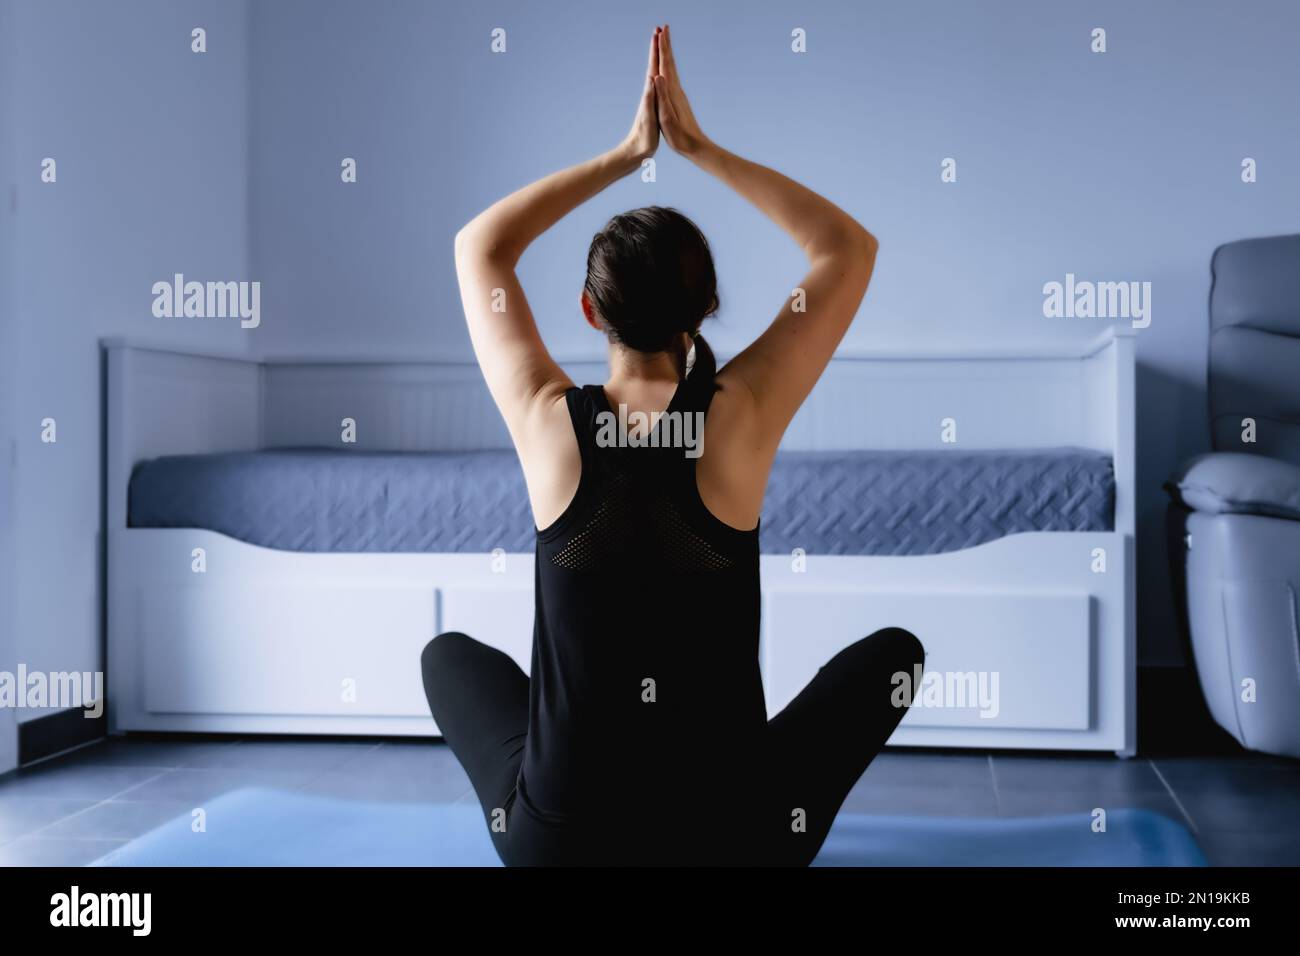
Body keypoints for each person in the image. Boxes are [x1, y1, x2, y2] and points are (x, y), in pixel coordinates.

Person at [422, 23, 924, 866]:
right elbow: (848, 248)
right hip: (736, 846)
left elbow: (481, 248)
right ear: (705, 310)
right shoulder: (742, 412)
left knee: (447, 658)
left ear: (590, 311)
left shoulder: (551, 422)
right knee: (895, 657)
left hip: (555, 852)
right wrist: (697, 148)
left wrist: (628, 153)